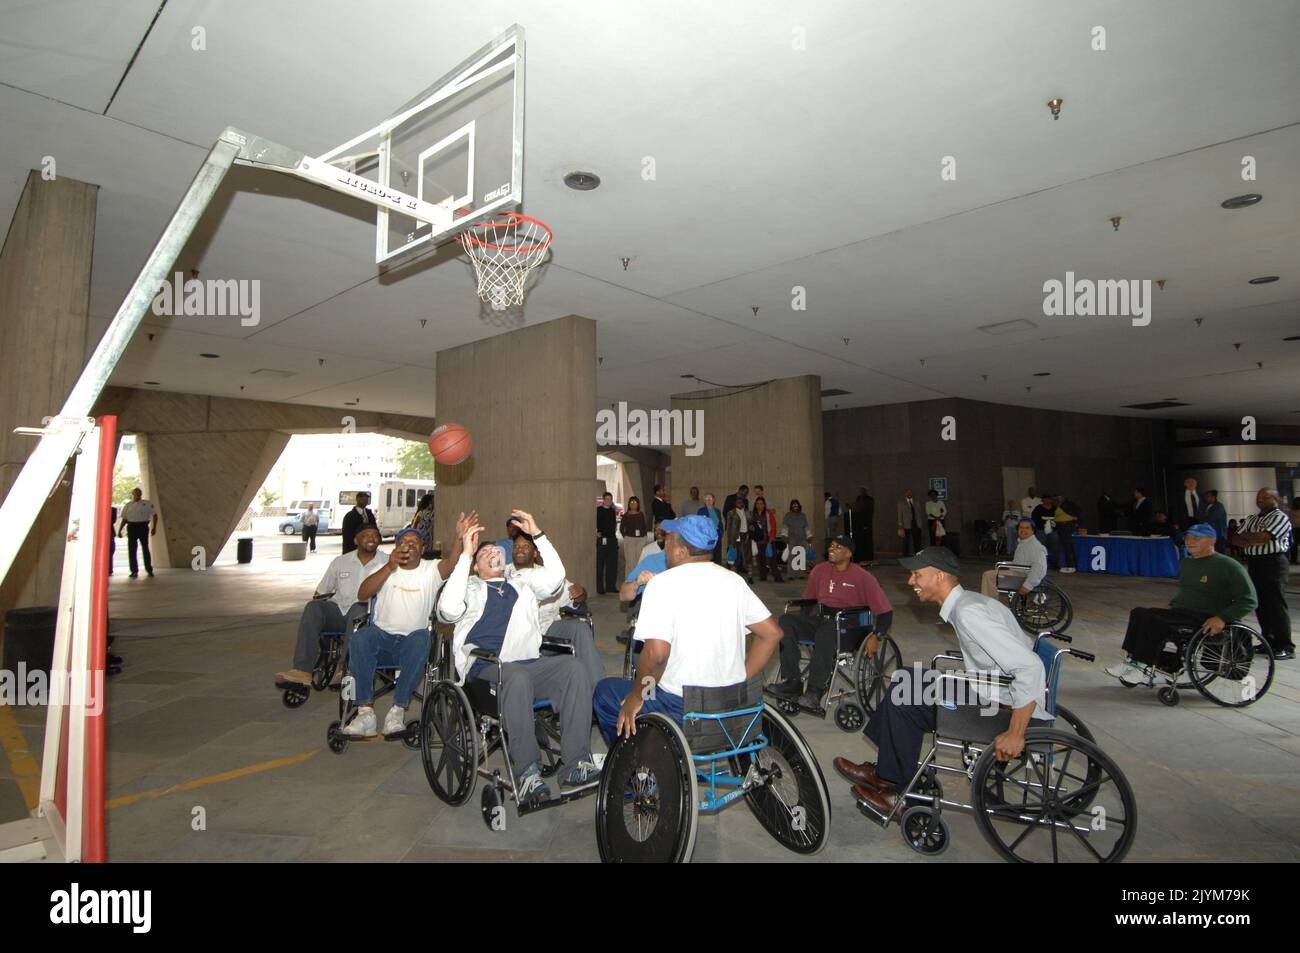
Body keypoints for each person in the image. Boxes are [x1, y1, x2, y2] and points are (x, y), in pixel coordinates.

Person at [834, 547, 1049, 816]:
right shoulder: (967, 603)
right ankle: (886, 772)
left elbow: (1030, 667)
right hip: (987, 686)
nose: (911, 582)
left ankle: (896, 792)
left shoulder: (970, 613)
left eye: (916, 574)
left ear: (940, 577)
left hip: (999, 702)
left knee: (905, 704)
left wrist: (1016, 732)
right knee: (906, 679)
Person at [439, 510, 599, 799]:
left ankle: (575, 764)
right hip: (485, 671)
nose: (492, 552)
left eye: (495, 549)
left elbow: (556, 579)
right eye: (484, 552)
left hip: (524, 665)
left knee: (573, 669)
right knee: (516, 676)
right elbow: (448, 610)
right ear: (476, 566)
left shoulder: (521, 585)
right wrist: (465, 553)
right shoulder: (469, 587)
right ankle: (527, 773)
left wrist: (538, 533)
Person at [593, 516, 784, 742]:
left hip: (680, 706)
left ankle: (635, 761)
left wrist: (638, 696)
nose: (665, 547)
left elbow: (657, 655)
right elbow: (772, 634)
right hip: (731, 703)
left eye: (669, 541)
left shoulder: (662, 584)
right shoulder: (734, 582)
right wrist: (740, 680)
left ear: (682, 551)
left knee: (605, 692)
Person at [342, 515, 471, 737]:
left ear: (422, 549)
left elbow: (452, 563)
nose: (409, 545)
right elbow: (362, 594)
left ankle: (397, 711)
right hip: (381, 638)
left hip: (412, 643)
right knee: (361, 637)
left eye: (414, 542)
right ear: (396, 548)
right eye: (404, 542)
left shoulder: (430, 570)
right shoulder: (385, 567)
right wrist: (389, 567)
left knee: (422, 637)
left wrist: (459, 538)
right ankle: (365, 713)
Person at [1105, 524, 1258, 686]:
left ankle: (1144, 666)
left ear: (1212, 541)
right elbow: (1191, 591)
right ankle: (1133, 661)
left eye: (1196, 538)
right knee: (1138, 613)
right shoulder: (1187, 563)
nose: (1189, 542)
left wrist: (1221, 618)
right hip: (1183, 613)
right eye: (1188, 538)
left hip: (1206, 617)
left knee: (1152, 619)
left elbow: (1249, 599)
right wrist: (1175, 602)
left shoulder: (1228, 565)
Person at [770, 535, 893, 712]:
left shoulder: (863, 577)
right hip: (822, 620)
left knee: (827, 630)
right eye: (831, 546)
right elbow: (808, 602)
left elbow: (885, 611)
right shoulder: (819, 571)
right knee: (786, 621)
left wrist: (876, 636)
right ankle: (792, 681)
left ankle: (814, 691)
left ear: (849, 553)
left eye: (838, 547)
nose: (832, 549)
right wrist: (802, 623)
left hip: (848, 626)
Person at [276, 524, 386, 689]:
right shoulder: (340, 562)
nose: (371, 538)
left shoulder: (387, 562)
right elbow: (321, 591)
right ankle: (302, 670)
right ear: (356, 540)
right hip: (340, 612)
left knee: (359, 607)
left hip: (370, 616)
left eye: (375, 535)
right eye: (366, 535)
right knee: (313, 607)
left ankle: (345, 669)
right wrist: (317, 602)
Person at [507, 532, 603, 685]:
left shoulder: (548, 575)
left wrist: (581, 594)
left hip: (549, 630)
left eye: (525, 546)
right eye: (516, 546)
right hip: (520, 639)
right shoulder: (503, 575)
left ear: (535, 553)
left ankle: (598, 690)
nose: (519, 549)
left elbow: (576, 593)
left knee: (580, 628)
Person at [1229, 488, 1295, 659]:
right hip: (1255, 562)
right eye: (1258, 498)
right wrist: (1250, 538)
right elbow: (1234, 538)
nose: (1260, 500)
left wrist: (1249, 538)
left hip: (1274, 562)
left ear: (1276, 499)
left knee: (1275, 602)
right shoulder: (1253, 518)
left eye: (1265, 497)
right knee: (1260, 603)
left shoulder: (1279, 517)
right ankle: (1269, 640)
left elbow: (1264, 538)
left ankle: (1285, 644)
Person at [980, 519, 1047, 597]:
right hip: (1018, 573)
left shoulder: (1035, 546)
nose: (1023, 530)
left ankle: (990, 605)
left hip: (1022, 577)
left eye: (1027, 528)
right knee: (993, 574)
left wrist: (1028, 585)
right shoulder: (1024, 543)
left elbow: (1039, 567)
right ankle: (990, 603)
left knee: (989, 576)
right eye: (1021, 527)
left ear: (1033, 531)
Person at [117, 487, 158, 578]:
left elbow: (155, 515)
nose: (138, 494)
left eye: (139, 493)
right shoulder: (128, 505)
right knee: (132, 549)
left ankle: (149, 569)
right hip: (132, 527)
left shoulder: (147, 503)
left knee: (145, 548)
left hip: (143, 526)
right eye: (136, 493)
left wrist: (154, 527)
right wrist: (120, 530)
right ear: (133, 494)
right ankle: (134, 570)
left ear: (141, 494)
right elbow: (124, 519)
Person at [751, 496, 783, 583]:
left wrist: (772, 536)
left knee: (772, 559)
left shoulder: (769, 514)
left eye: (761, 503)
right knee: (760, 560)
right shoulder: (753, 514)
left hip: (768, 540)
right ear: (755, 505)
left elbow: (773, 526)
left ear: (764, 505)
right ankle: (763, 576)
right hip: (757, 540)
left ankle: (777, 577)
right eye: (758, 503)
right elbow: (751, 527)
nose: (759, 505)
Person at [618, 495, 649, 576]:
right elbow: (621, 528)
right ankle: (629, 580)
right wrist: (625, 536)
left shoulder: (641, 514)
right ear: (629, 504)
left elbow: (644, 526)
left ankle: (637, 579)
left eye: (635, 502)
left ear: (638, 504)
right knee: (630, 561)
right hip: (630, 539)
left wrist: (645, 536)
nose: (633, 504)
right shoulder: (626, 515)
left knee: (638, 560)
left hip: (640, 540)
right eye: (631, 502)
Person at [595, 491, 619, 595]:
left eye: (610, 499)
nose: (609, 501)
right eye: (607, 499)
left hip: (612, 539)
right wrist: (597, 533)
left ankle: (611, 586)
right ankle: (600, 588)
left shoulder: (613, 511)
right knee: (600, 564)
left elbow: (613, 525)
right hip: (602, 539)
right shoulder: (598, 510)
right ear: (603, 500)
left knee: (612, 564)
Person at [781, 498, 813, 573]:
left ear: (799, 506)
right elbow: (785, 526)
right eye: (793, 506)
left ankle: (801, 573)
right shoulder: (787, 516)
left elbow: (806, 526)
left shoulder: (803, 515)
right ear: (791, 506)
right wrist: (784, 536)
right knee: (792, 556)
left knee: (801, 556)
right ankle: (791, 574)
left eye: (796, 505)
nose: (795, 507)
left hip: (801, 538)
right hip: (791, 538)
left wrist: (809, 536)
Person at [725, 495, 753, 583]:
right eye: (738, 502)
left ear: (744, 503)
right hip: (735, 536)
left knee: (748, 556)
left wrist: (751, 527)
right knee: (735, 556)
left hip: (746, 536)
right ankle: (734, 576)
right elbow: (728, 527)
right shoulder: (731, 513)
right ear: (735, 503)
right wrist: (729, 541)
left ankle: (750, 576)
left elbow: (751, 523)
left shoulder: (748, 512)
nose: (740, 503)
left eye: (741, 502)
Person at [1031, 494, 1060, 568]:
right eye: (1045, 499)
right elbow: (1034, 518)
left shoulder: (1055, 508)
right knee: (1040, 547)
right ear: (1042, 500)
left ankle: (1053, 564)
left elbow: (1059, 518)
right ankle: (1039, 563)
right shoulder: (1038, 508)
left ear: (1051, 500)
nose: (1047, 500)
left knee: (1054, 547)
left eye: (1048, 499)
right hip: (1041, 530)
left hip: (1053, 530)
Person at [1054, 493, 1081, 573]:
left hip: (1067, 527)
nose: (1059, 498)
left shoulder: (1069, 504)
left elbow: (1077, 514)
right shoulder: (1059, 505)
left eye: (1060, 497)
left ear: (1065, 497)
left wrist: (1074, 520)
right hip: (1061, 527)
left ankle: (1071, 566)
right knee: (1065, 547)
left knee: (1068, 546)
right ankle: (1067, 565)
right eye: (1058, 497)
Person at [699, 492, 725, 563]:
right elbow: (699, 524)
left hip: (717, 536)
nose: (708, 501)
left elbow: (720, 523)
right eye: (706, 499)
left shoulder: (717, 511)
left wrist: (721, 532)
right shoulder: (701, 511)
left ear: (713, 500)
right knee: (709, 555)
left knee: (717, 556)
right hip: (707, 537)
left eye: (710, 499)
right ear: (704, 501)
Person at [897, 489, 922, 557]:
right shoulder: (901, 502)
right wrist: (900, 526)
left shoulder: (916, 501)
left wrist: (920, 524)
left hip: (916, 523)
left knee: (917, 541)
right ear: (905, 494)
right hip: (906, 524)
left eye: (910, 492)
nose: (909, 494)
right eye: (907, 493)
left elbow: (919, 513)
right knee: (906, 541)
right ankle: (905, 555)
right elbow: (899, 515)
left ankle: (917, 555)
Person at [410, 492, 436, 558]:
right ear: (429, 503)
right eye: (433, 501)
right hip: (424, 541)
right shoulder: (426, 513)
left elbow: (413, 526)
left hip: (423, 540)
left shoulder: (420, 512)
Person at [852, 487, 875, 563]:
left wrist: (866, 522)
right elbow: (856, 508)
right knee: (860, 538)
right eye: (860, 491)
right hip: (858, 522)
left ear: (866, 492)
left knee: (867, 539)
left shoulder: (870, 499)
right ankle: (861, 554)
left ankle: (868, 555)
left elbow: (870, 511)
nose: (861, 492)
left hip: (867, 522)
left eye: (863, 491)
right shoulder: (858, 498)